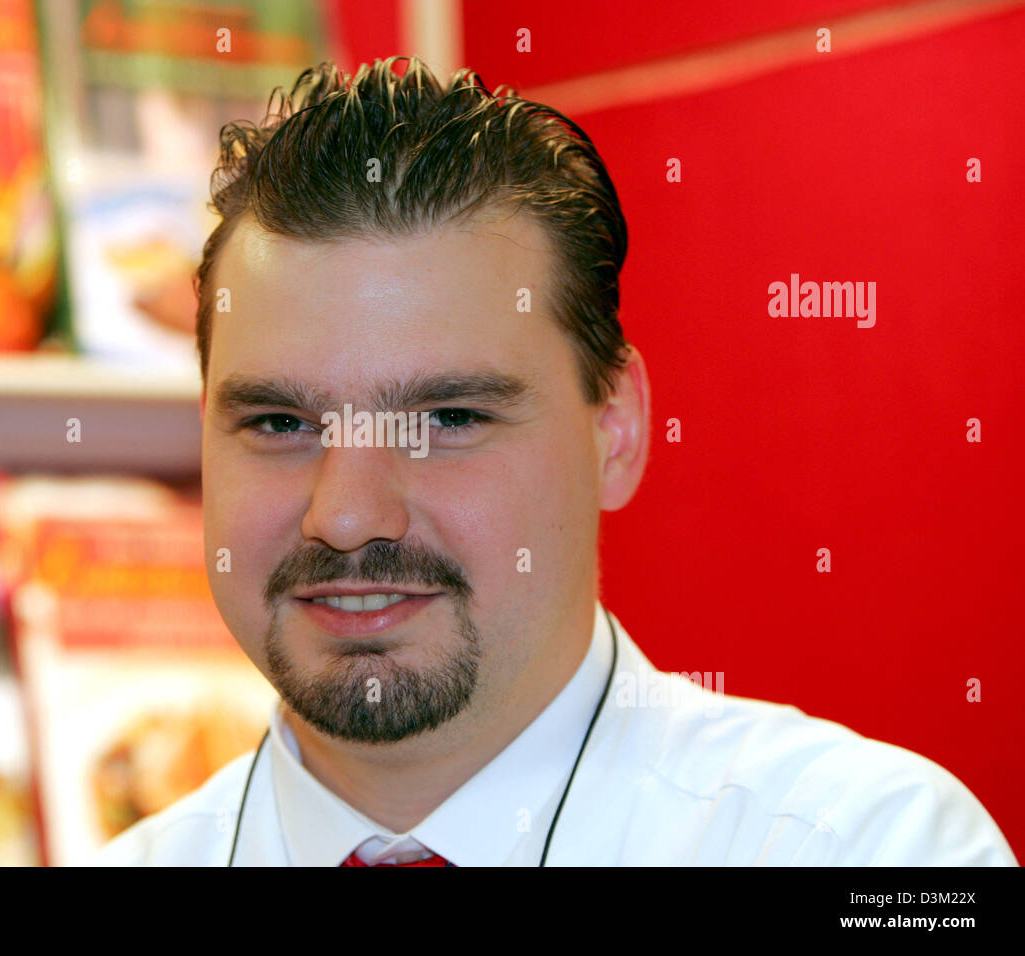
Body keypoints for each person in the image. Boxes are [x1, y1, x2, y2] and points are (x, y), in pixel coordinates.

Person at [97, 57, 1015, 866]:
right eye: (280, 422)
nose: (344, 514)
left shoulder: (871, 850)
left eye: (446, 416)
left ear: (614, 430)